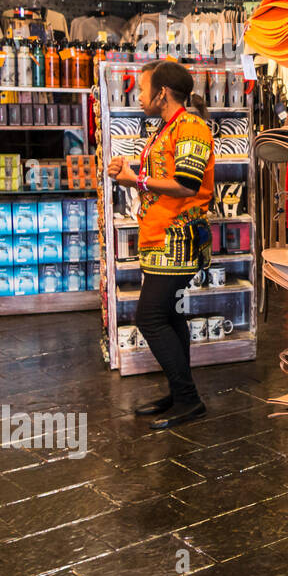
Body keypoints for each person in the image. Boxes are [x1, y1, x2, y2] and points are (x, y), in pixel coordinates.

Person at [107, 61, 214, 429]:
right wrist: (127, 177)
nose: (138, 96)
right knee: (167, 314)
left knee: (149, 317)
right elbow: (154, 182)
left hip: (177, 237)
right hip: (160, 235)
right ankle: (179, 392)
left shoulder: (191, 127)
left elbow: (185, 183)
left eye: (142, 88)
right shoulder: (168, 128)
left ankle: (188, 398)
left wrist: (137, 179)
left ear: (162, 92)